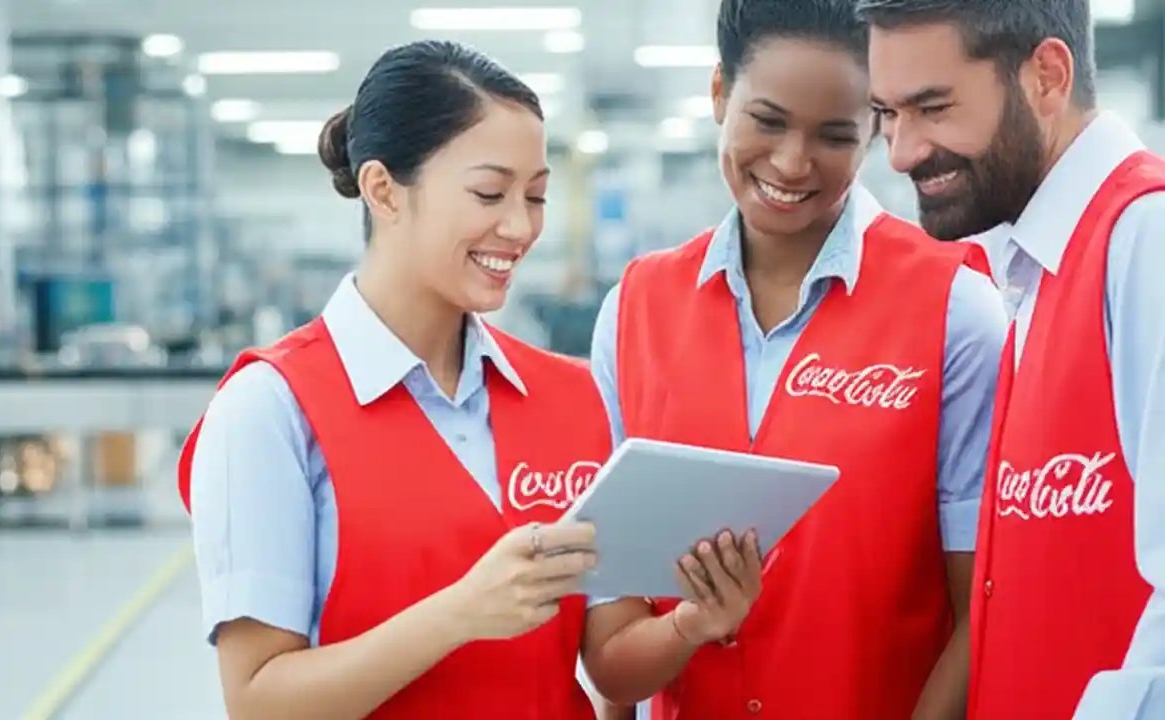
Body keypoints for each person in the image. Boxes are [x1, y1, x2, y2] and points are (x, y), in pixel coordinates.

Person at [578, 1, 1009, 718]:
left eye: (835, 135)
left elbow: (981, 614)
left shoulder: (956, 311)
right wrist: (691, 623)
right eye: (768, 120)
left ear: (874, 127)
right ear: (720, 94)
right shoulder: (636, 311)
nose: (791, 163)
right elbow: (613, 663)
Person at [178, 40, 614, 720]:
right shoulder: (271, 410)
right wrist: (459, 615)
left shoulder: (574, 398)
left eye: (536, 196)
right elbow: (260, 703)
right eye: (489, 193)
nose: (520, 226)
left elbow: (608, 660)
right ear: (384, 190)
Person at [861, 1, 1165, 718]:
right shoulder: (1028, 271)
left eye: (932, 108)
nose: (901, 151)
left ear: (1047, 77)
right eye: (885, 114)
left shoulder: (1142, 243)